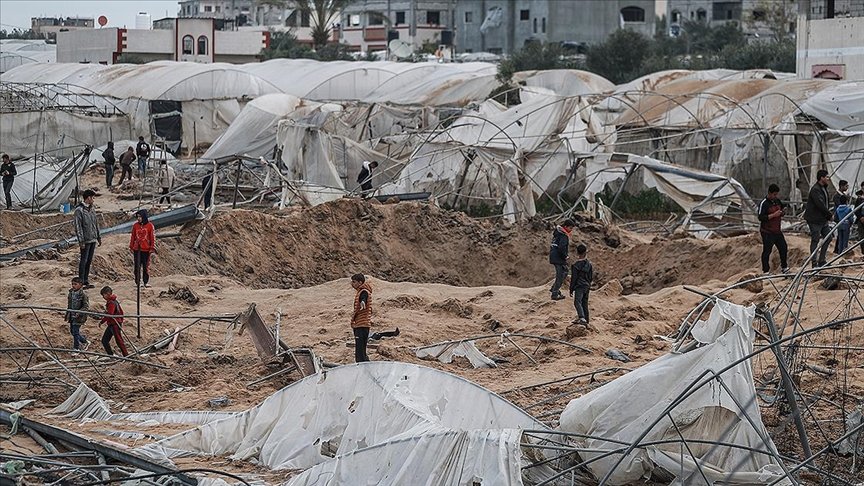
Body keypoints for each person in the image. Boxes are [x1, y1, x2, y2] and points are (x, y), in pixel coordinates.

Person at [803, 170, 834, 268]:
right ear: (821, 178)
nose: (828, 179)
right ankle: (814, 263)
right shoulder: (815, 189)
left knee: (828, 237)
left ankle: (822, 260)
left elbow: (824, 203)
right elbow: (820, 204)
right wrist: (829, 214)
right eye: (827, 177)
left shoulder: (823, 188)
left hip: (822, 219)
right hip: (815, 219)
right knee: (815, 240)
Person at [757, 184, 789, 274]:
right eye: (774, 194)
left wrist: (783, 212)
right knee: (767, 251)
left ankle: (784, 267)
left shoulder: (777, 201)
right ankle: (766, 270)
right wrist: (773, 215)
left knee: (783, 247)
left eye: (776, 194)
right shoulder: (764, 203)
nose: (775, 196)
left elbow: (782, 209)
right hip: (767, 231)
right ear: (769, 193)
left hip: (777, 230)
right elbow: (760, 217)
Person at [74, 189, 101, 289]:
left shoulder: (92, 209)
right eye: (93, 198)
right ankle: (81, 281)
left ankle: (85, 280)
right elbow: (78, 227)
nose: (93, 200)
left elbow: (95, 223)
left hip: (92, 238)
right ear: (88, 198)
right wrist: (81, 241)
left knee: (89, 260)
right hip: (85, 240)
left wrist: (98, 236)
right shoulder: (79, 210)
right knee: (83, 260)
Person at [548, 219, 574, 301]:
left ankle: (554, 288)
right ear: (565, 226)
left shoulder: (557, 233)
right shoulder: (563, 235)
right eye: (570, 228)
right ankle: (554, 294)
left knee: (565, 271)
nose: (571, 230)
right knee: (561, 274)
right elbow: (561, 248)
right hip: (558, 257)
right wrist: (565, 256)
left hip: (554, 255)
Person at [569, 243, 594, 326]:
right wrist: (588, 284)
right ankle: (586, 320)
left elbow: (574, 278)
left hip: (579, 286)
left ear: (577, 253)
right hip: (587, 286)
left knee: (577, 302)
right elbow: (590, 277)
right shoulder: (589, 264)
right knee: (584, 303)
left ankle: (582, 318)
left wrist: (571, 289)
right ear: (585, 252)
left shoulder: (575, 266)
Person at [350, 274, 373, 363]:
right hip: (363, 323)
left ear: (360, 282)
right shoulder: (363, 291)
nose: (352, 284)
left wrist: (363, 302)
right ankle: (364, 363)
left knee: (360, 350)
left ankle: (361, 365)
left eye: (354, 282)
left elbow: (363, 298)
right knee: (362, 348)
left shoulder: (364, 291)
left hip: (361, 324)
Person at [130, 208, 156, 288]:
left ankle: (145, 282)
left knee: (145, 266)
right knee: (137, 266)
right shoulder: (135, 225)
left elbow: (152, 237)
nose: (139, 218)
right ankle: (138, 282)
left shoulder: (150, 226)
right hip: (137, 249)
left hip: (146, 249)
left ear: (144, 217)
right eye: (137, 217)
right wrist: (131, 246)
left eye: (140, 217)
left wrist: (152, 247)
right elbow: (133, 236)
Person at [99, 286, 128, 356]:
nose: (103, 297)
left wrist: (102, 321)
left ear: (108, 293)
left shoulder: (111, 303)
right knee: (104, 340)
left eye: (104, 295)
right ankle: (111, 355)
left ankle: (126, 355)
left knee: (119, 340)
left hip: (115, 324)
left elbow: (110, 314)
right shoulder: (113, 301)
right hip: (112, 324)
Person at [65, 277, 90, 351]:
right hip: (71, 315)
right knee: (72, 331)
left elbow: (86, 306)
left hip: (79, 317)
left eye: (75, 284)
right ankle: (84, 341)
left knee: (75, 332)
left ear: (81, 285)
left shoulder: (83, 295)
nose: (73, 286)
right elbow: (69, 304)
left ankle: (76, 348)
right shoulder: (71, 293)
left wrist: (79, 312)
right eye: (72, 284)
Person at [833, 180, 849, 253]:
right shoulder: (837, 196)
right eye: (846, 186)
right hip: (839, 217)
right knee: (841, 235)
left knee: (841, 235)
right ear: (841, 186)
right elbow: (839, 206)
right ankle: (839, 250)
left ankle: (839, 249)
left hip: (843, 218)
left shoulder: (843, 195)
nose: (847, 187)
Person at [855, 190, 864, 256]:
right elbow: (856, 210)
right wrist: (860, 217)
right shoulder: (859, 199)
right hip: (861, 221)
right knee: (862, 237)